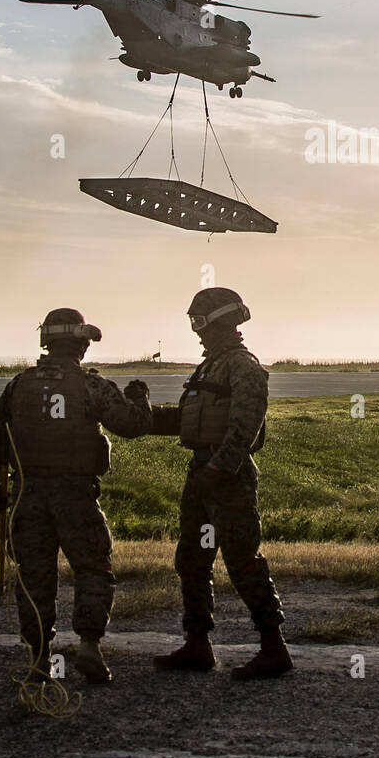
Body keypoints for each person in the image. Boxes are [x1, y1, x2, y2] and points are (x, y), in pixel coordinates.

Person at [0, 308, 153, 684]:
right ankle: (89, 646)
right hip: (76, 496)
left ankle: (40, 658)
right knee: (93, 568)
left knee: (35, 577)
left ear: (46, 340)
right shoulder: (90, 386)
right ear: (82, 343)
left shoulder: (18, 386)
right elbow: (132, 425)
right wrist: (140, 396)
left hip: (28, 496)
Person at [152, 287, 293, 680]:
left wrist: (217, 470)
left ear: (218, 322)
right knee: (192, 560)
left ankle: (273, 647)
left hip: (228, 478)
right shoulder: (208, 368)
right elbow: (184, 420)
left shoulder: (242, 366)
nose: (196, 331)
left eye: (199, 323)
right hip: (202, 473)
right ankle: (198, 644)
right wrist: (140, 412)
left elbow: (245, 427)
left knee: (243, 560)